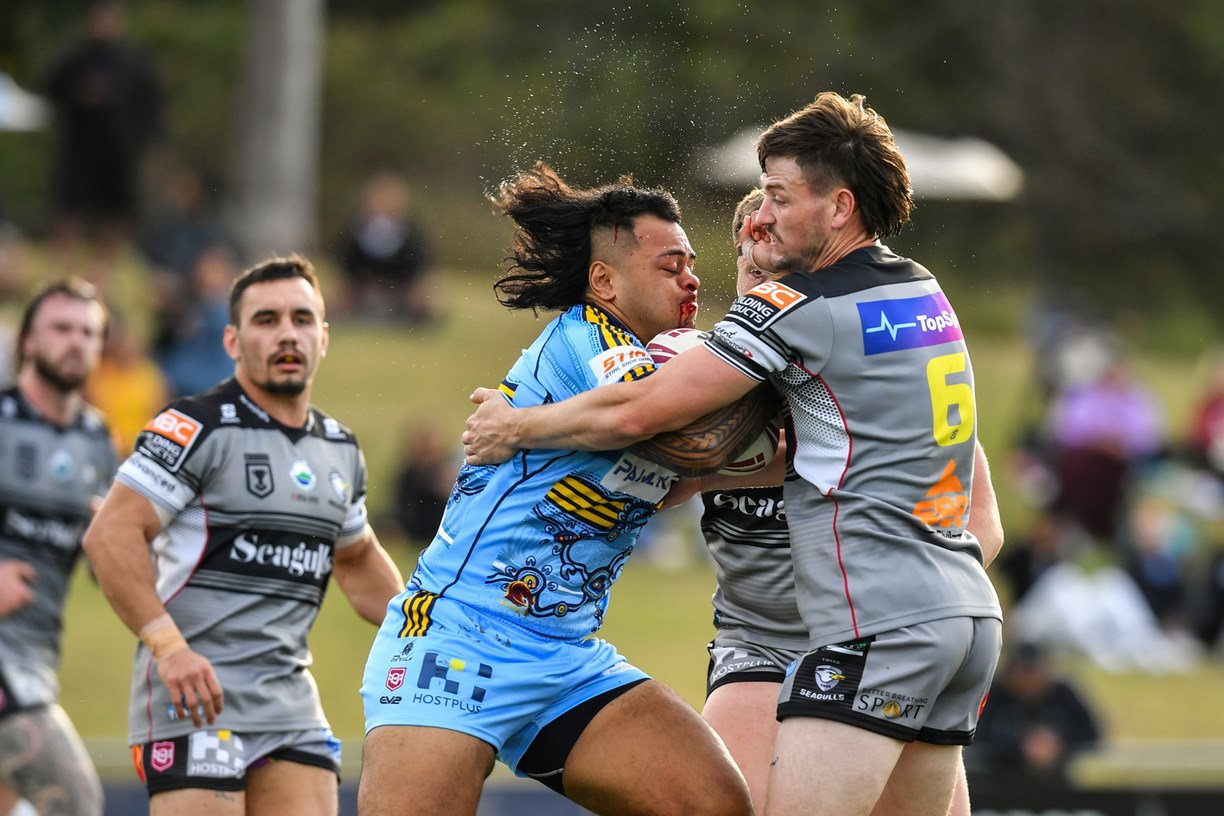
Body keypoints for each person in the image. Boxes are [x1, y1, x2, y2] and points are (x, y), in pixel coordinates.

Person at [464, 93, 1005, 816]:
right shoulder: (922, 293)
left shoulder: (797, 309)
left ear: (838, 208)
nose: (761, 223)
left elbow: (641, 408)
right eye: (752, 218)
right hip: (959, 622)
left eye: (778, 200)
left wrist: (518, 427)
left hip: (875, 626)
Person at [358, 163, 754, 816]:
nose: (692, 278)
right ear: (604, 280)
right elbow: (650, 424)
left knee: (713, 803)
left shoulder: (660, 366)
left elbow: (677, 475)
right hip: (459, 639)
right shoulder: (591, 337)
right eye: (669, 264)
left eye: (691, 263)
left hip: (563, 657)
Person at [81, 255, 405, 815]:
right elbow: (109, 537)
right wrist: (169, 647)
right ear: (232, 340)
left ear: (324, 337)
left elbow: (355, 560)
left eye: (302, 319)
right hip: (194, 696)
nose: (287, 333)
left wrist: (424, 624)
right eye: (267, 319)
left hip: (289, 703)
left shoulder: (340, 447)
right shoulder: (194, 427)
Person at [0, 278, 115, 816]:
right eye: (63, 329)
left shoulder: (98, 441)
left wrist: (112, 545)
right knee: (75, 803)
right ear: (27, 341)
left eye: (89, 333)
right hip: (7, 668)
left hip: (38, 660)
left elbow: (108, 568)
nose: (77, 342)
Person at [44, 1, 163, 268]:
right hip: (79, 152)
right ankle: (59, 269)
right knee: (70, 212)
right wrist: (80, 93)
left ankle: (101, 272)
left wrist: (150, 146)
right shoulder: (75, 58)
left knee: (115, 214)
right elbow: (51, 89)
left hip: (119, 154)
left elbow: (151, 107)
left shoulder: (132, 62)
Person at [967, 641, 1101, 785]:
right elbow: (975, 735)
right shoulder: (993, 694)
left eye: (1033, 671)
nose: (1028, 681)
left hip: (1057, 781)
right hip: (998, 780)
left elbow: (1092, 733)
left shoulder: (1063, 694)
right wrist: (1020, 745)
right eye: (1022, 672)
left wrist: (1057, 743)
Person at [334, 172, 437, 324]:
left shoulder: (410, 234)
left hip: (398, 292)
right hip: (364, 290)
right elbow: (346, 267)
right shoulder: (355, 230)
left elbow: (420, 269)